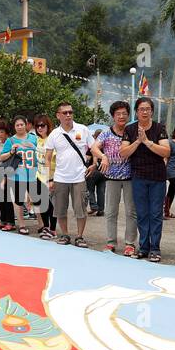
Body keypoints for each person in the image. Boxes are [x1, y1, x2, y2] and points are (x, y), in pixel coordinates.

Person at [44, 101, 108, 248]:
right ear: (58, 115)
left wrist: (97, 161)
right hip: (60, 178)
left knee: (81, 209)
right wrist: (49, 178)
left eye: (70, 112)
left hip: (79, 177)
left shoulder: (83, 129)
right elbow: (47, 158)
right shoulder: (54, 134)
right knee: (60, 209)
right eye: (65, 113)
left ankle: (79, 237)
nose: (68, 115)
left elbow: (93, 148)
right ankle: (65, 235)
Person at [98, 101, 138, 255]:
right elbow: (94, 147)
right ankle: (110, 242)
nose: (121, 116)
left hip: (130, 177)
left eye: (124, 113)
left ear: (128, 115)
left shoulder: (133, 132)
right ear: (113, 116)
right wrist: (103, 157)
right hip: (111, 178)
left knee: (131, 212)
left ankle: (130, 243)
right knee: (110, 211)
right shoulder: (106, 133)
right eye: (118, 114)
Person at [0, 115, 39, 234]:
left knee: (36, 199)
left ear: (26, 124)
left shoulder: (33, 138)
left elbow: (41, 153)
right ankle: (21, 225)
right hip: (17, 175)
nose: (20, 127)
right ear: (14, 127)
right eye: (17, 125)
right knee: (18, 201)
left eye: (22, 124)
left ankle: (42, 225)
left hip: (33, 174)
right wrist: (11, 151)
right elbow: (2, 157)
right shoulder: (10, 140)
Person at [32, 115, 57, 239]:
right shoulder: (38, 140)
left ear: (48, 126)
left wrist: (52, 179)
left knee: (51, 204)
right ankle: (45, 227)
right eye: (37, 126)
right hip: (39, 175)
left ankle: (52, 229)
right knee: (40, 202)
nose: (40, 128)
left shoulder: (52, 140)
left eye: (43, 125)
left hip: (51, 176)